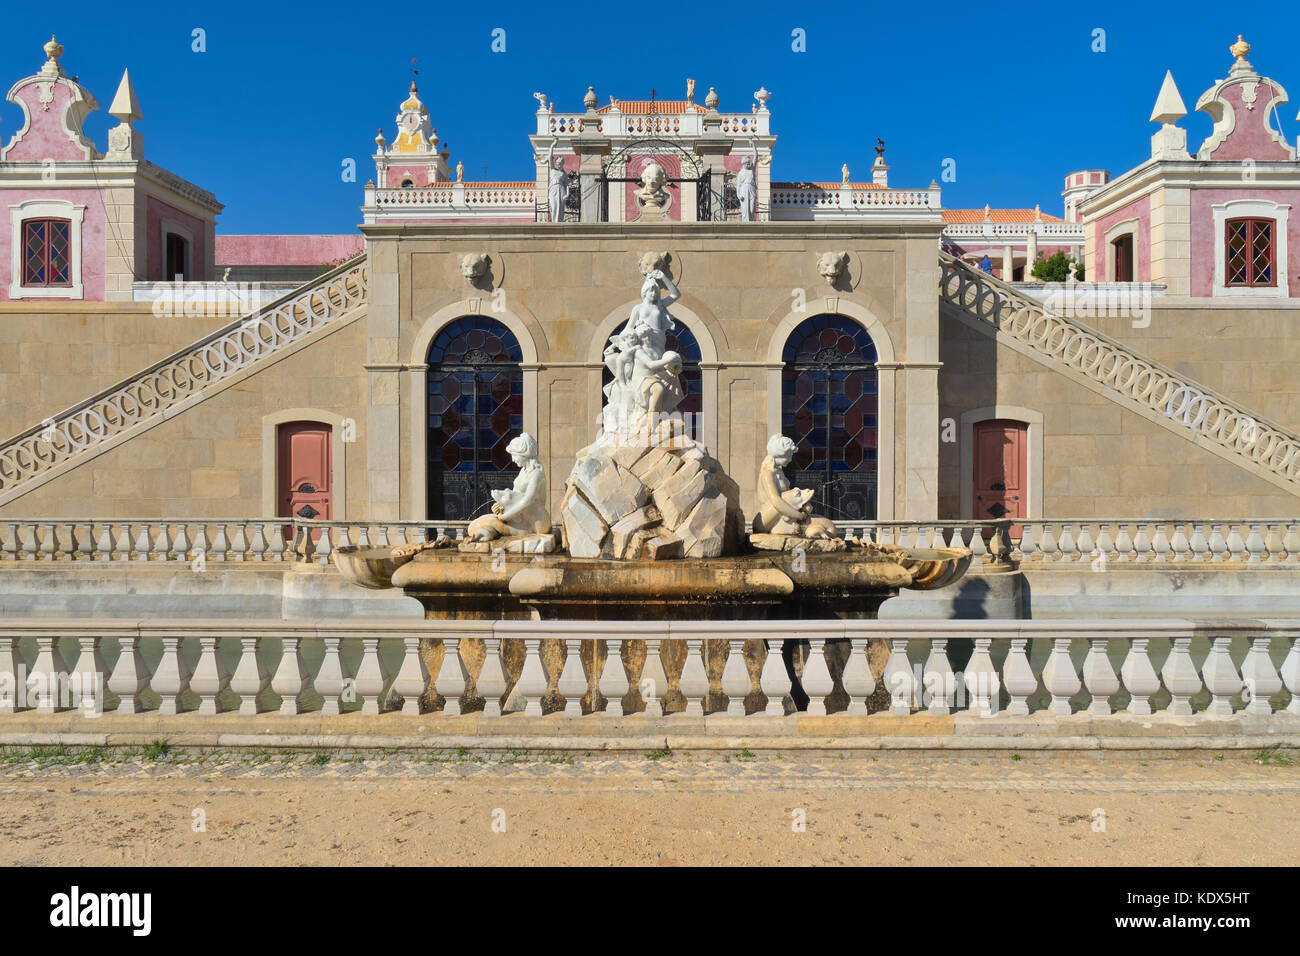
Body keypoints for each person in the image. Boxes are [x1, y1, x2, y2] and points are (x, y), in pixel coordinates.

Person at [546, 138, 569, 222]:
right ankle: (554, 222)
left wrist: (567, 194)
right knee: (554, 206)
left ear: (563, 164)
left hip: (561, 190)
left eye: (560, 163)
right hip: (553, 189)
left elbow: (566, 184)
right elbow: (549, 157)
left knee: (560, 207)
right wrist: (552, 145)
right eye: (557, 163)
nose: (559, 165)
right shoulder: (552, 170)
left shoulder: (564, 173)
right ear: (555, 163)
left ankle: (559, 222)